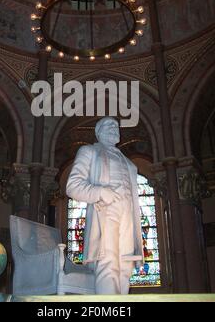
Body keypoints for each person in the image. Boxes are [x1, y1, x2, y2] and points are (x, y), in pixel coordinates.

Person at [66, 117, 143, 295]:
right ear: (98, 132)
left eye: (116, 126)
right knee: (108, 263)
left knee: (125, 265)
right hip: (106, 210)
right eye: (108, 125)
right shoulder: (89, 151)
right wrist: (100, 192)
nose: (114, 128)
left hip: (128, 213)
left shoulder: (128, 161)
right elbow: (72, 186)